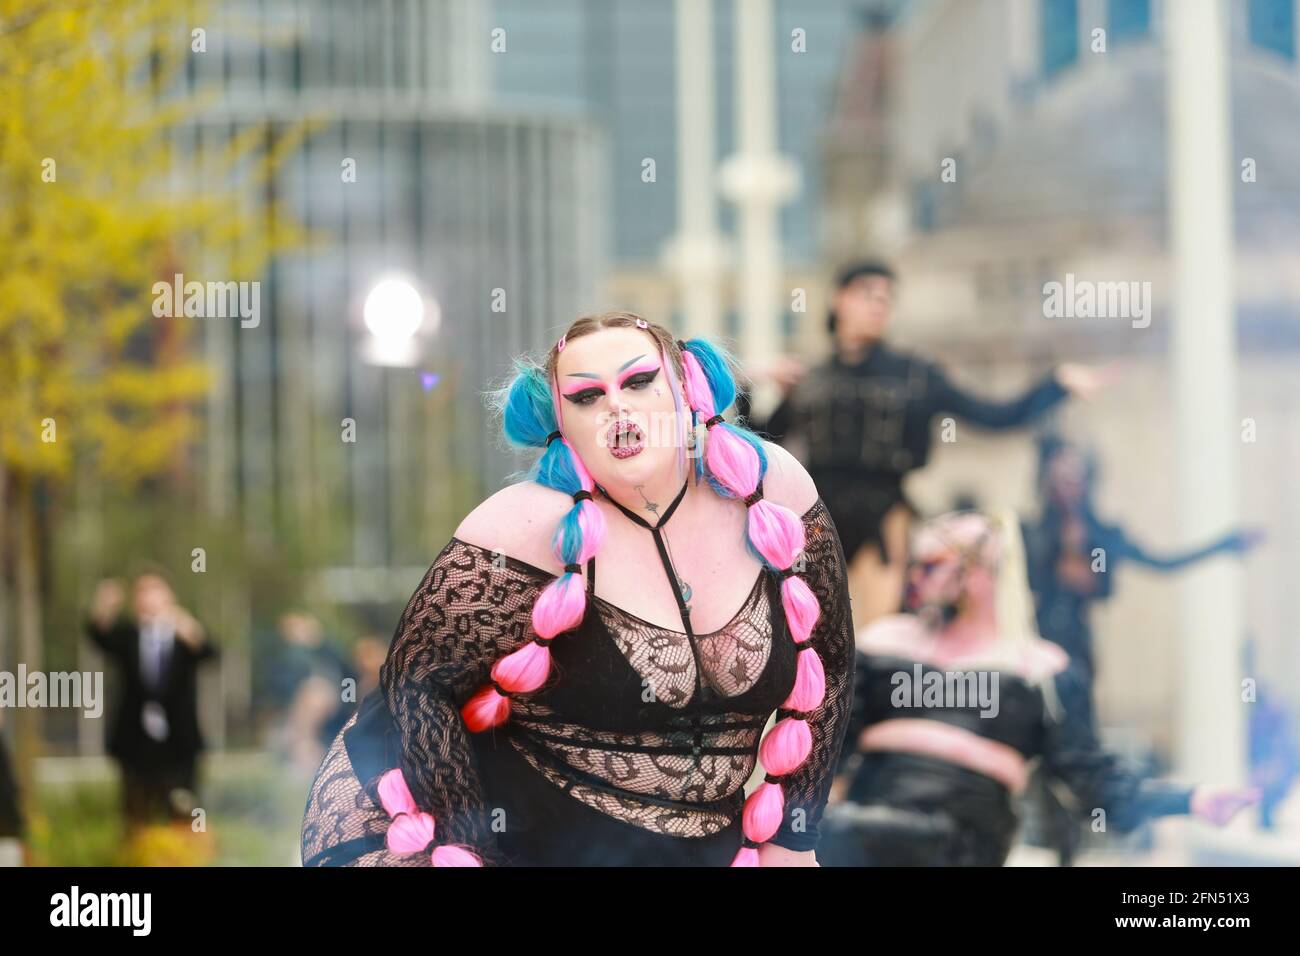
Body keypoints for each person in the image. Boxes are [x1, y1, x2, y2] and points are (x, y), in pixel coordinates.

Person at [301, 312, 856, 866]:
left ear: (687, 388)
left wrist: (792, 840)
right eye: (587, 397)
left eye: (639, 382)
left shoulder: (772, 489)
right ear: (562, 423)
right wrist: (466, 849)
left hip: (678, 847)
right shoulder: (523, 527)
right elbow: (417, 685)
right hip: (487, 822)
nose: (617, 406)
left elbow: (828, 663)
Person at [819, 510, 1257, 866]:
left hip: (959, 842)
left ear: (980, 574)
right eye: (915, 565)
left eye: (932, 566)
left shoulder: (1039, 671)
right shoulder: (882, 646)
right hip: (865, 829)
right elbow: (827, 751)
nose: (915, 580)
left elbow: (1094, 782)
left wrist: (1192, 799)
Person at [740, 260, 1111, 634]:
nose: (878, 304)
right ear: (839, 300)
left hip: (882, 519)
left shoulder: (915, 375)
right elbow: (762, 447)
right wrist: (748, 382)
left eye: (887, 298)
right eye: (867, 294)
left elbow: (993, 415)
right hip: (819, 517)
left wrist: (1056, 386)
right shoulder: (812, 380)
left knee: (872, 638)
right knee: (817, 636)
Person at [85, 570, 218, 828]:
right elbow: (97, 636)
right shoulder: (128, 635)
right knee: (136, 812)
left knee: (183, 809)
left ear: (169, 596)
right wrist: (103, 606)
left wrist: (188, 627)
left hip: (179, 741)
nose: (149, 597)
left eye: (155, 590)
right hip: (135, 741)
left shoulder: (183, 635)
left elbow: (210, 653)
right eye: (142, 591)